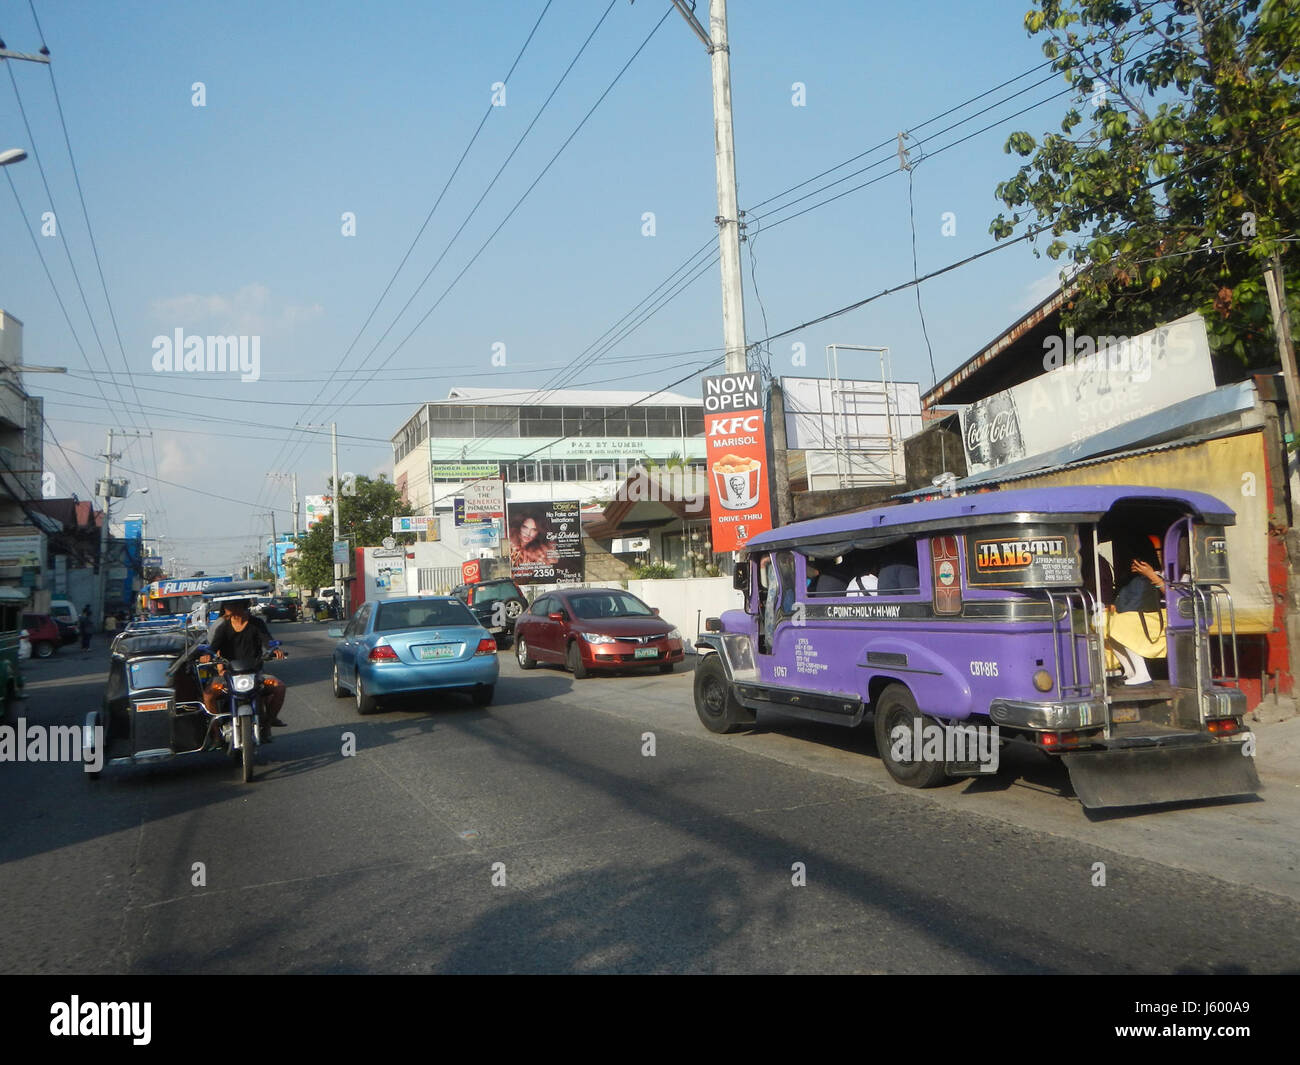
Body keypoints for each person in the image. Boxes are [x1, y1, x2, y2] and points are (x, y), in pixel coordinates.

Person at [202, 598, 287, 740]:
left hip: (256, 674)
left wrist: (274, 649)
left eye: (231, 604)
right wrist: (206, 655)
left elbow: (268, 641)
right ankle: (216, 732)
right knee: (208, 694)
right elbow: (213, 647)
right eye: (227, 605)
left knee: (279, 687)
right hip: (229, 675)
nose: (227, 608)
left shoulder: (257, 624)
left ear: (242, 605)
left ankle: (267, 723)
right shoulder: (223, 627)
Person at [1105, 535, 1168, 685]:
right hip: (1141, 616)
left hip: (1161, 617)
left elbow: (1173, 595)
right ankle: (1130, 670)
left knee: (1124, 626)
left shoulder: (1161, 574)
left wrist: (1151, 575)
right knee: (1105, 622)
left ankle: (1143, 673)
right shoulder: (1131, 579)